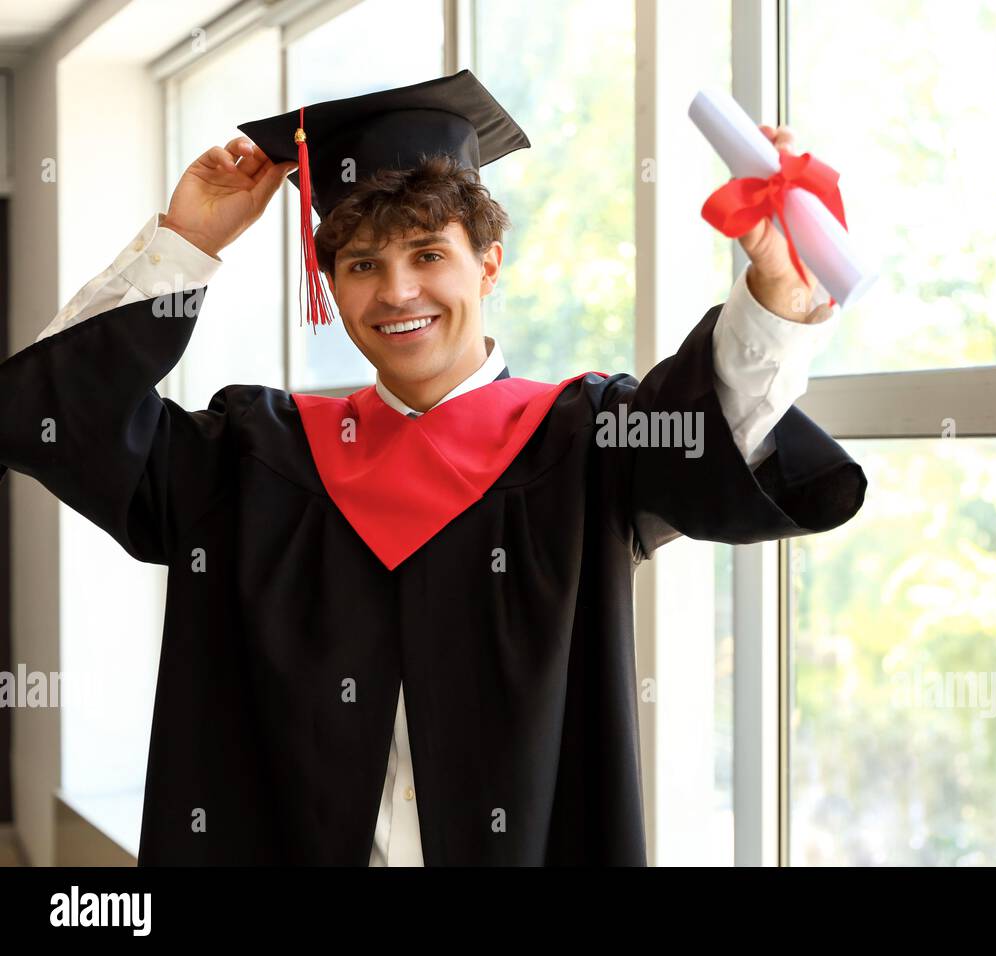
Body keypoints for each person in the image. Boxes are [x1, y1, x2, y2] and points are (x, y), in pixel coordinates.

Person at [0, 70, 866, 865]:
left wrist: (777, 296)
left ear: (489, 262)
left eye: (427, 254)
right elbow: (55, 415)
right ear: (331, 287)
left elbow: (710, 425)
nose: (397, 292)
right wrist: (185, 242)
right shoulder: (255, 457)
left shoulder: (582, 444)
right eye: (362, 265)